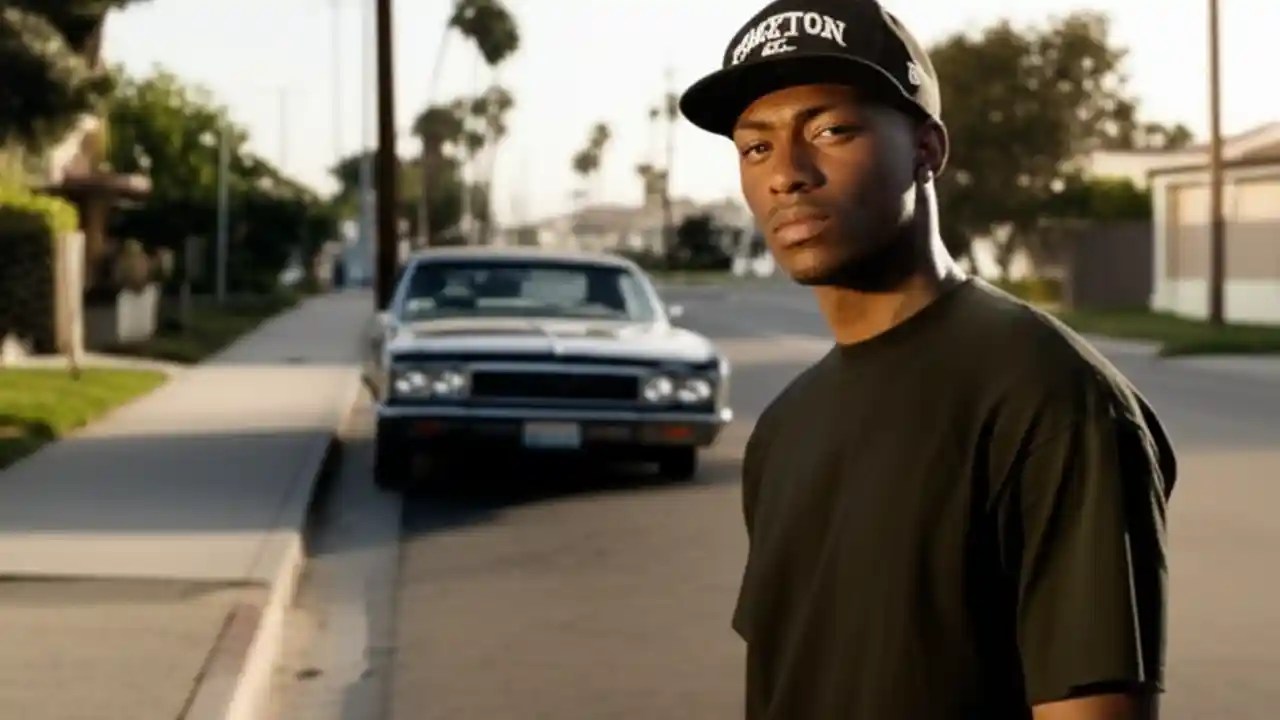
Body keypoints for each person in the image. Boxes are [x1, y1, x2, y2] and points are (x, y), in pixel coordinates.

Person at [677, 1, 1177, 718]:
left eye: (831, 130)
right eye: (756, 148)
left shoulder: (1049, 396)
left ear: (927, 149)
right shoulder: (784, 429)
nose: (786, 174)